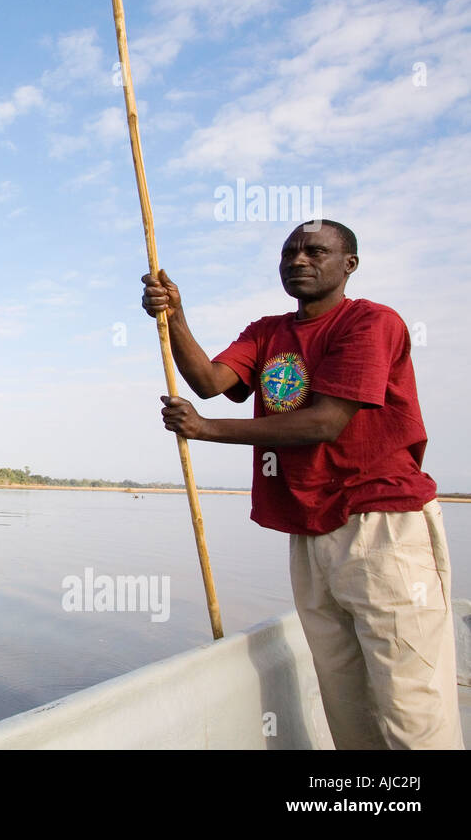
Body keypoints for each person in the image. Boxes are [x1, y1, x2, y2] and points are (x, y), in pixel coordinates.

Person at [140, 219, 462, 750]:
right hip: (308, 528)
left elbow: (324, 422)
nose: (299, 260)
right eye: (290, 252)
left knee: (409, 699)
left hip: (381, 524)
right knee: (344, 694)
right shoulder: (267, 331)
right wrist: (173, 315)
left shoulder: (371, 323)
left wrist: (204, 429)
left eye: (315, 251)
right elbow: (209, 382)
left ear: (348, 265)